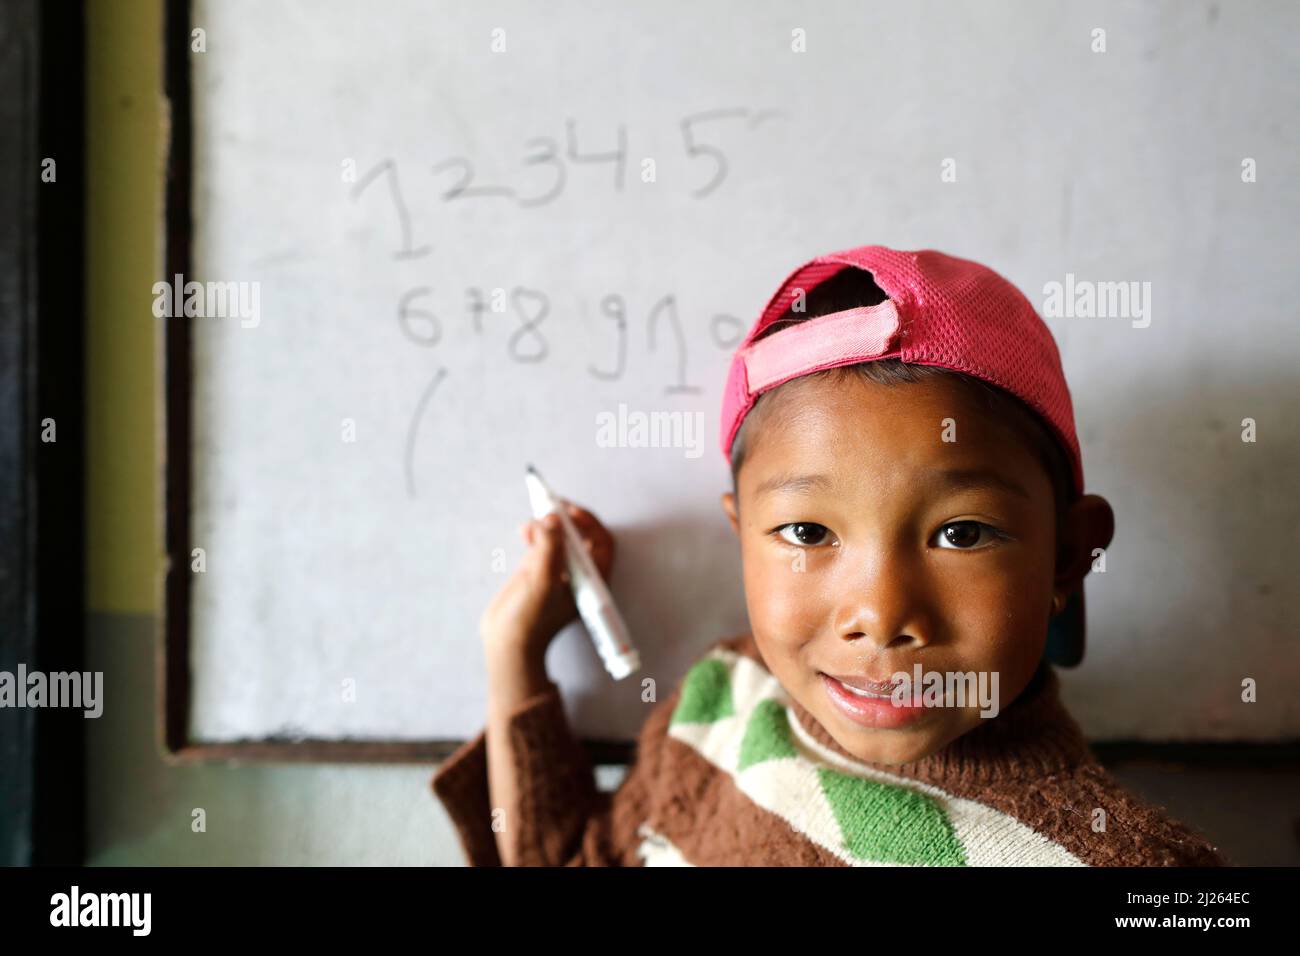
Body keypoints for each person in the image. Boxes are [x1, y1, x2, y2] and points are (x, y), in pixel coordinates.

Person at [430, 244, 1228, 867]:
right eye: (808, 533)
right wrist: (516, 657)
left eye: (960, 533)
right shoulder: (720, 705)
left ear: (1067, 557)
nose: (880, 616)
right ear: (741, 531)